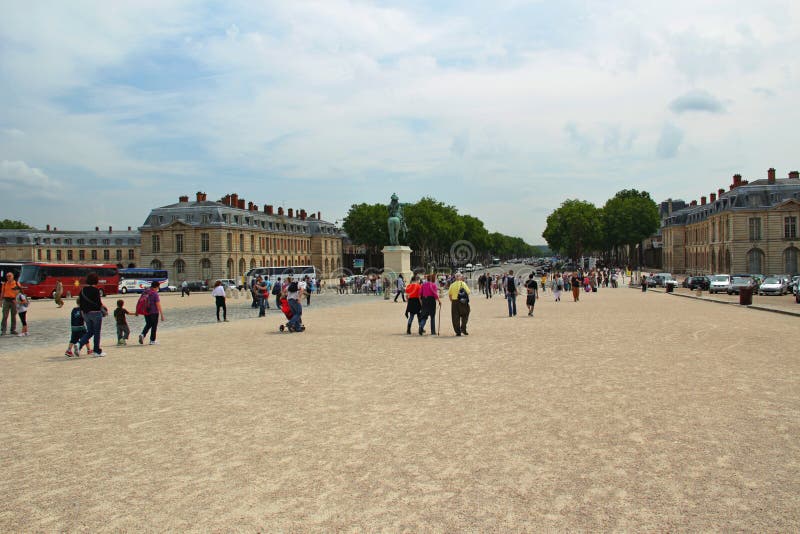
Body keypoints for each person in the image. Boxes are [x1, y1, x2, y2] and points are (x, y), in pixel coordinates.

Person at [76, 272, 107, 357]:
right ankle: (96, 351)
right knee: (96, 332)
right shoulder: (96, 291)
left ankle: (79, 344)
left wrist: (82, 312)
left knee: (90, 332)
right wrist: (105, 308)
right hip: (96, 314)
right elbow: (98, 303)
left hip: (86, 314)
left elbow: (81, 304)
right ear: (96, 281)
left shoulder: (82, 290)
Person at [1, 271, 21, 335]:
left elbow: (20, 293)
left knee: (13, 316)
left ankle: (13, 329)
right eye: (7, 276)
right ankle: (3, 330)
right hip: (6, 301)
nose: (8, 277)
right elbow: (2, 293)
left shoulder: (17, 284)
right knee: (4, 316)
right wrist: (0, 301)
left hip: (14, 301)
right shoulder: (4, 284)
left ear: (13, 276)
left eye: (10, 276)